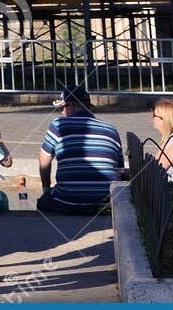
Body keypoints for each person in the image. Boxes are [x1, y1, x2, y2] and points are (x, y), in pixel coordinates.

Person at [37, 85, 123, 216]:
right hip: (105, 203)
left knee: (43, 202)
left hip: (67, 202)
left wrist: (46, 188)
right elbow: (120, 171)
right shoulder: (111, 129)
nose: (61, 113)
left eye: (62, 108)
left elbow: (44, 160)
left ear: (71, 106)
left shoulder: (58, 125)